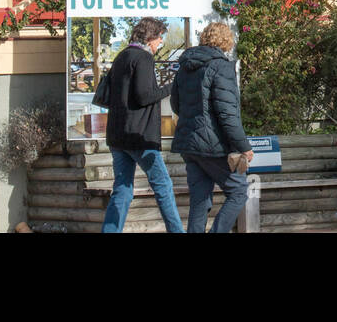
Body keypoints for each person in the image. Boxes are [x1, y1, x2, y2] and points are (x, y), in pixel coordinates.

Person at [101, 17, 184, 233]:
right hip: (140, 137)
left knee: (122, 190)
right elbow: (145, 96)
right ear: (149, 38)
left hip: (118, 136)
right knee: (163, 186)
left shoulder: (122, 57)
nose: (161, 43)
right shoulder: (144, 58)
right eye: (159, 38)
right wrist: (172, 87)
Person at [171, 22, 253, 233]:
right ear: (226, 40)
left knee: (199, 201)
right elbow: (227, 113)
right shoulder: (221, 66)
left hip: (189, 144)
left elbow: (175, 104)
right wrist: (244, 146)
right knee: (239, 191)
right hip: (212, 145)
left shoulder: (185, 67)